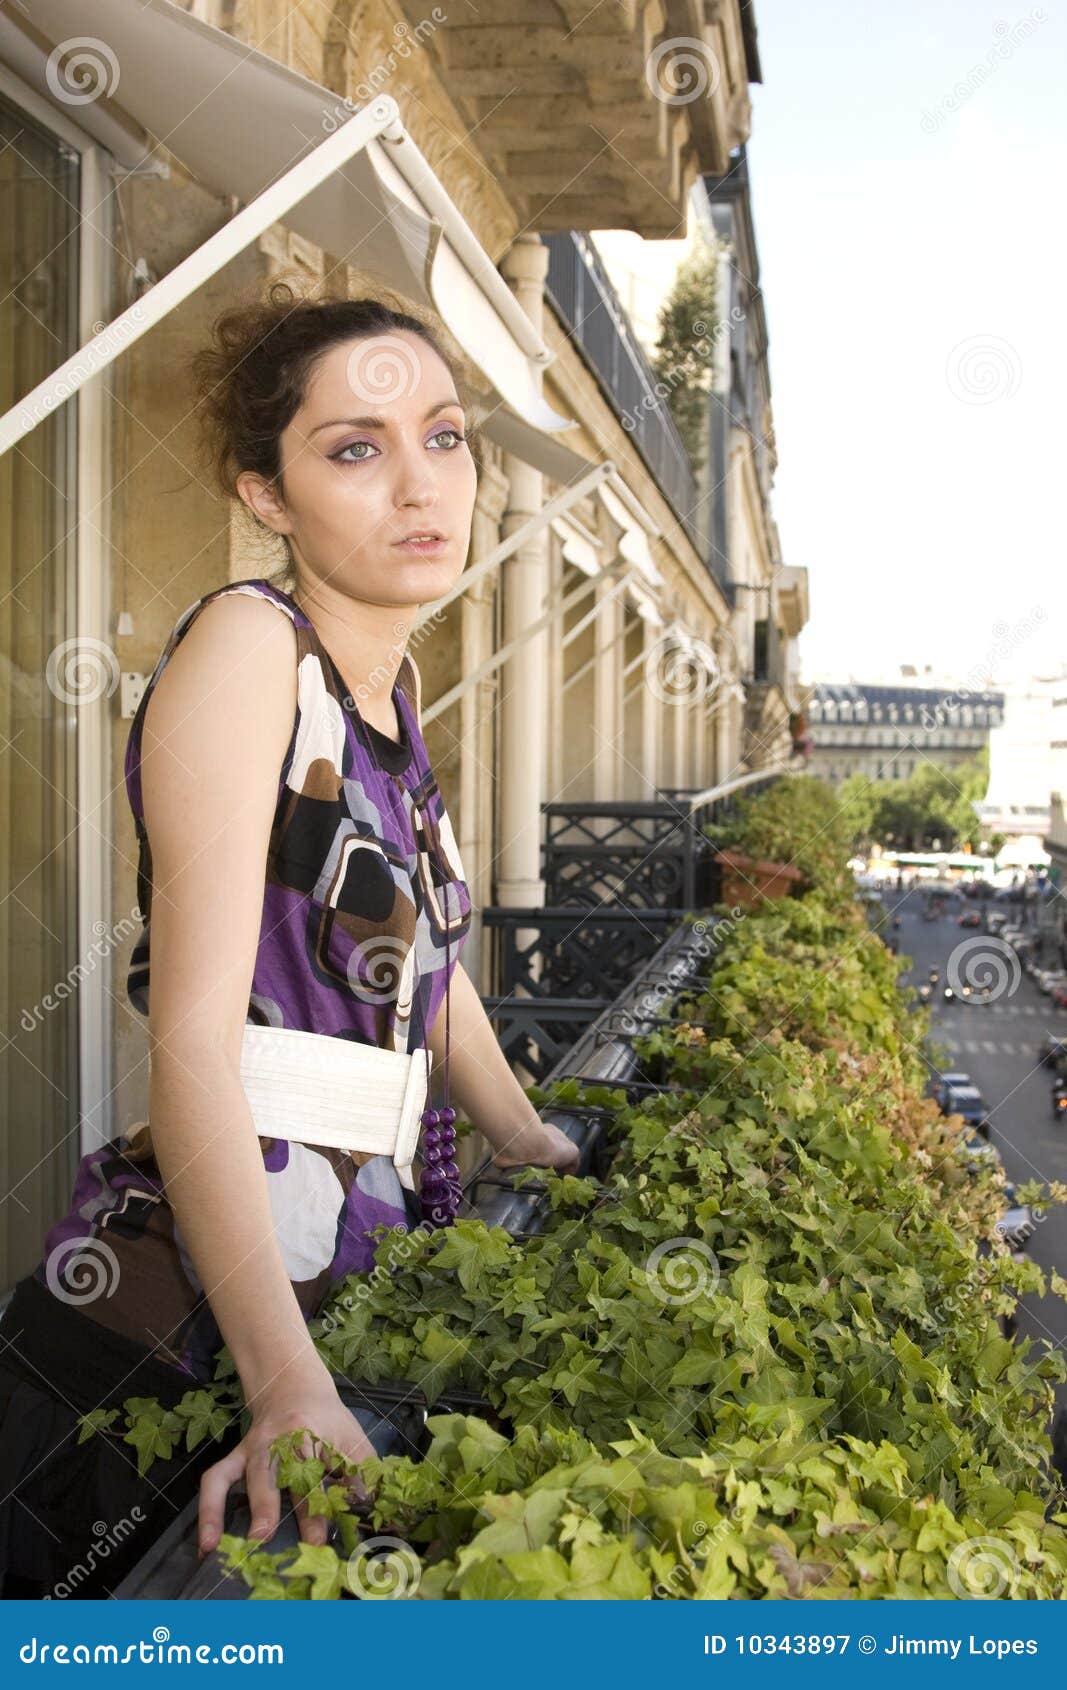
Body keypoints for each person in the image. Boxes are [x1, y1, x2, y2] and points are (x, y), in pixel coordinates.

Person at [0, 282, 578, 1599]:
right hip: (176, 1348)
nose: (421, 484)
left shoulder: (390, 693)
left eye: (444, 436)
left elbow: (424, 977)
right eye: (355, 449)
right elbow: (195, 1045)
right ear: (267, 495)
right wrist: (283, 1385)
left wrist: (525, 1131)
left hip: (341, 1290)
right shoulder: (251, 647)